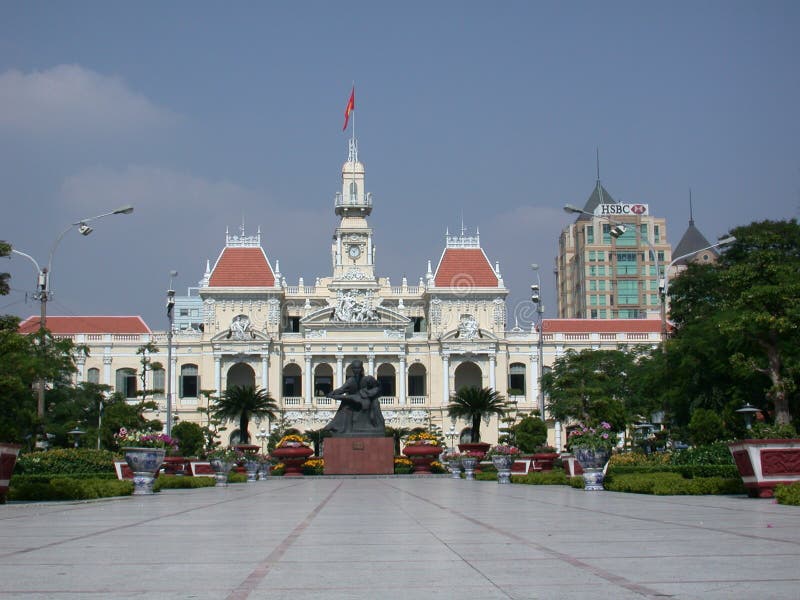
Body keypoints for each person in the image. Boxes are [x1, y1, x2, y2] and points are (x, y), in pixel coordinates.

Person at [323, 360, 385, 436]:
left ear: (361, 369)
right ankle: (341, 428)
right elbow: (341, 390)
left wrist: (369, 394)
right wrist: (332, 394)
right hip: (354, 401)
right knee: (345, 404)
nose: (356, 370)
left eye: (358, 368)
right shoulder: (351, 380)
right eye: (355, 368)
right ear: (352, 369)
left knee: (373, 403)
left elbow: (378, 388)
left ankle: (373, 425)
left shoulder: (368, 379)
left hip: (368, 400)